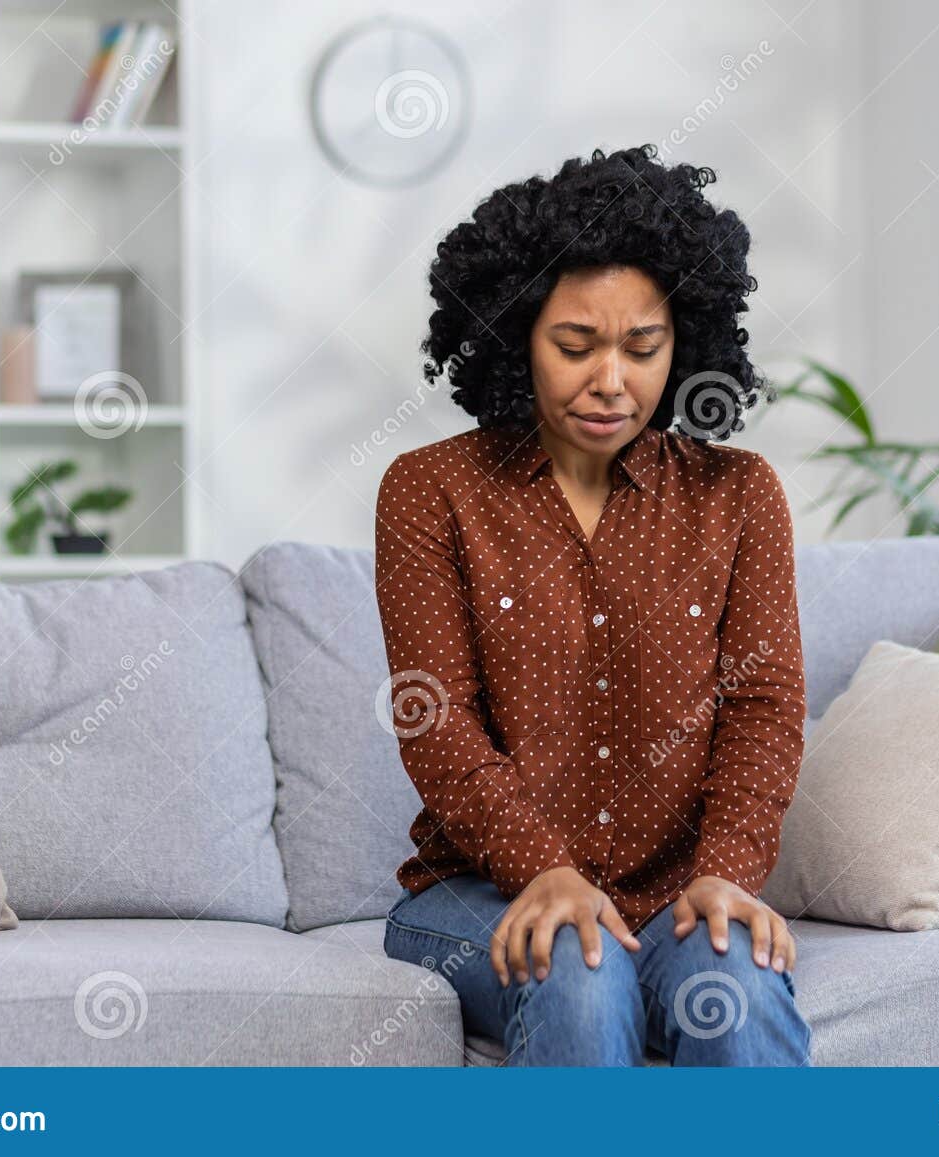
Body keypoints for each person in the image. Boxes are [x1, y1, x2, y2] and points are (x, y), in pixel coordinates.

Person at [374, 144, 811, 1066]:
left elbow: (763, 711)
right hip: (475, 890)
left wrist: (727, 878)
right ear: (513, 333)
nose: (611, 378)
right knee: (577, 964)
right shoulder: (430, 491)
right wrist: (547, 871)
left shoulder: (740, 495)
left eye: (642, 348)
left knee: (730, 985)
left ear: (684, 344)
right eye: (575, 345)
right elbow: (435, 717)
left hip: (676, 893)